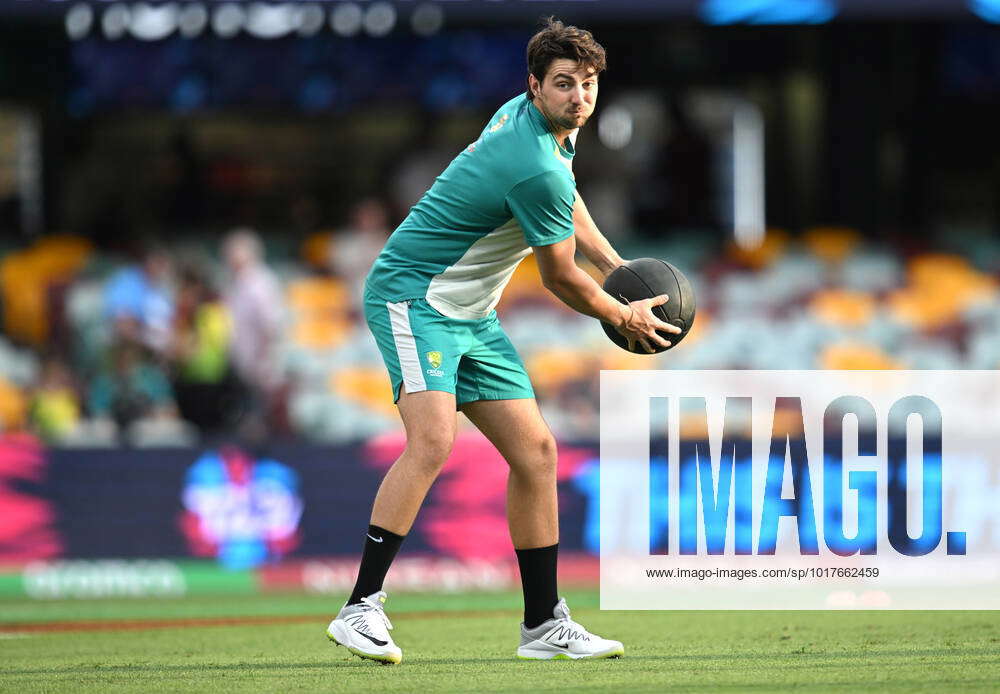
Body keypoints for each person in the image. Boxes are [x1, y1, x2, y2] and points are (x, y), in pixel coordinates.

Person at [326, 18, 679, 664]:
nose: (579, 97)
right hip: (414, 295)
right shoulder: (533, 162)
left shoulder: (539, 130)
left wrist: (618, 269)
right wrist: (620, 312)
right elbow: (559, 277)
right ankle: (360, 608)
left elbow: (567, 205)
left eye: (589, 84)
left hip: (470, 315)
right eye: (565, 84)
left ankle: (544, 623)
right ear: (535, 87)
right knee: (433, 439)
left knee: (538, 453)